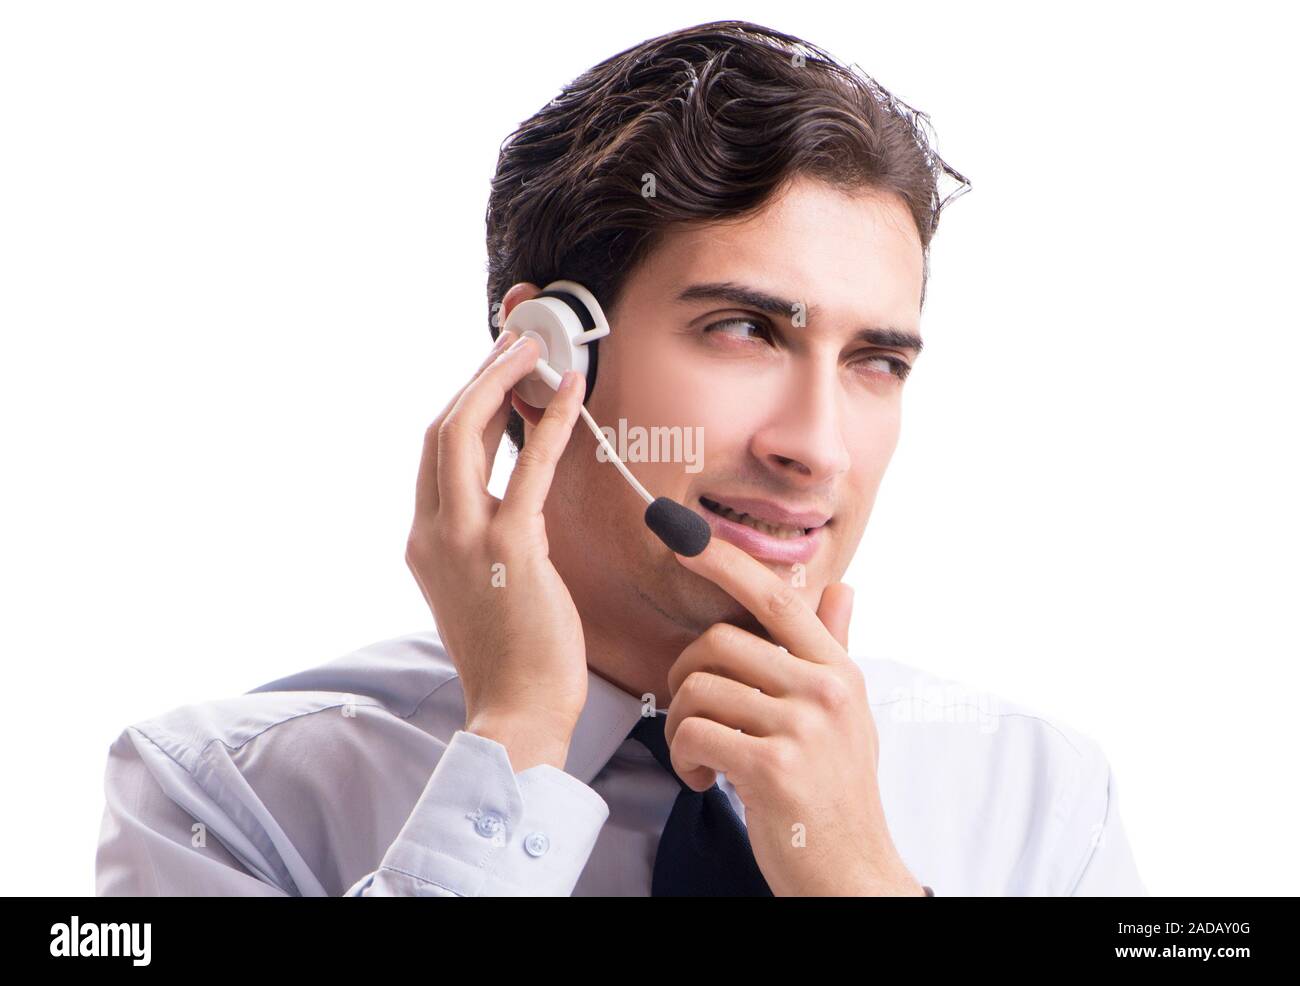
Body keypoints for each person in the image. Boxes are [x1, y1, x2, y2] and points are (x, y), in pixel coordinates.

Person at [95, 19, 1145, 896]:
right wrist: (511, 742)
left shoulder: (1041, 800)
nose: (815, 448)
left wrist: (857, 876)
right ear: (547, 358)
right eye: (745, 331)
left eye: (873, 360)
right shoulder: (222, 796)